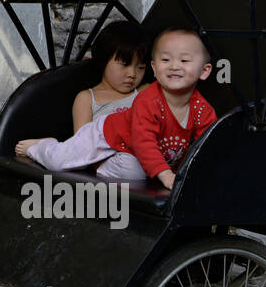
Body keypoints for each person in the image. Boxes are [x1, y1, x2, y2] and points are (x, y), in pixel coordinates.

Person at [16, 27, 217, 189]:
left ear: (204, 71)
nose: (174, 66)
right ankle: (42, 147)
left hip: (131, 152)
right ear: (156, 69)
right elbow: (143, 141)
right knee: (60, 162)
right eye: (166, 60)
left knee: (134, 173)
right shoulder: (147, 100)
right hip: (103, 134)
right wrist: (165, 175)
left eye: (184, 61)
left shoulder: (202, 110)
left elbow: (204, 146)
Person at [68, 20, 148, 132]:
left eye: (141, 67)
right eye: (124, 64)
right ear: (104, 60)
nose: (132, 74)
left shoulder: (145, 92)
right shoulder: (87, 99)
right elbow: (81, 144)